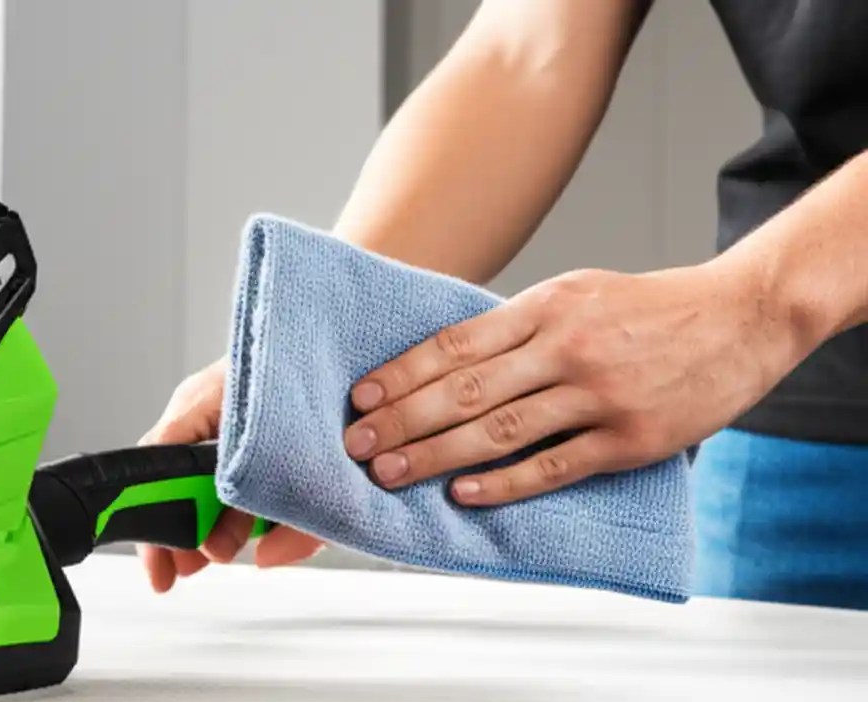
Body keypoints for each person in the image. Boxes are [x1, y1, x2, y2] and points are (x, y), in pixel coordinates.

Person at [137, 0, 868, 610]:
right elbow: (529, 50)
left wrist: (758, 308)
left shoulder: (758, 316)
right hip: (790, 462)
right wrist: (314, 352)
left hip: (763, 345)